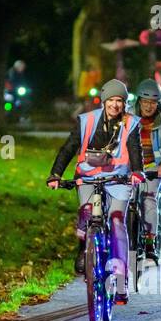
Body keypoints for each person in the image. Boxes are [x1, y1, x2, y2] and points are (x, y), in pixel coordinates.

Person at [46, 78, 144, 299]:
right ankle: (84, 248)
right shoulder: (86, 121)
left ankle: (120, 279)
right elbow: (68, 148)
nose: (115, 105)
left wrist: (137, 171)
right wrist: (56, 174)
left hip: (119, 179)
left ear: (124, 103)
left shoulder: (131, 123)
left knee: (117, 219)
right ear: (104, 100)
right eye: (112, 100)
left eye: (120, 101)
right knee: (86, 213)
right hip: (88, 177)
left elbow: (135, 149)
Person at [130, 78, 161, 259]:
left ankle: (150, 242)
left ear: (158, 104)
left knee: (149, 199)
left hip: (153, 168)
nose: (148, 106)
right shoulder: (127, 117)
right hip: (131, 168)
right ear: (139, 101)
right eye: (145, 101)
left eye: (153, 102)